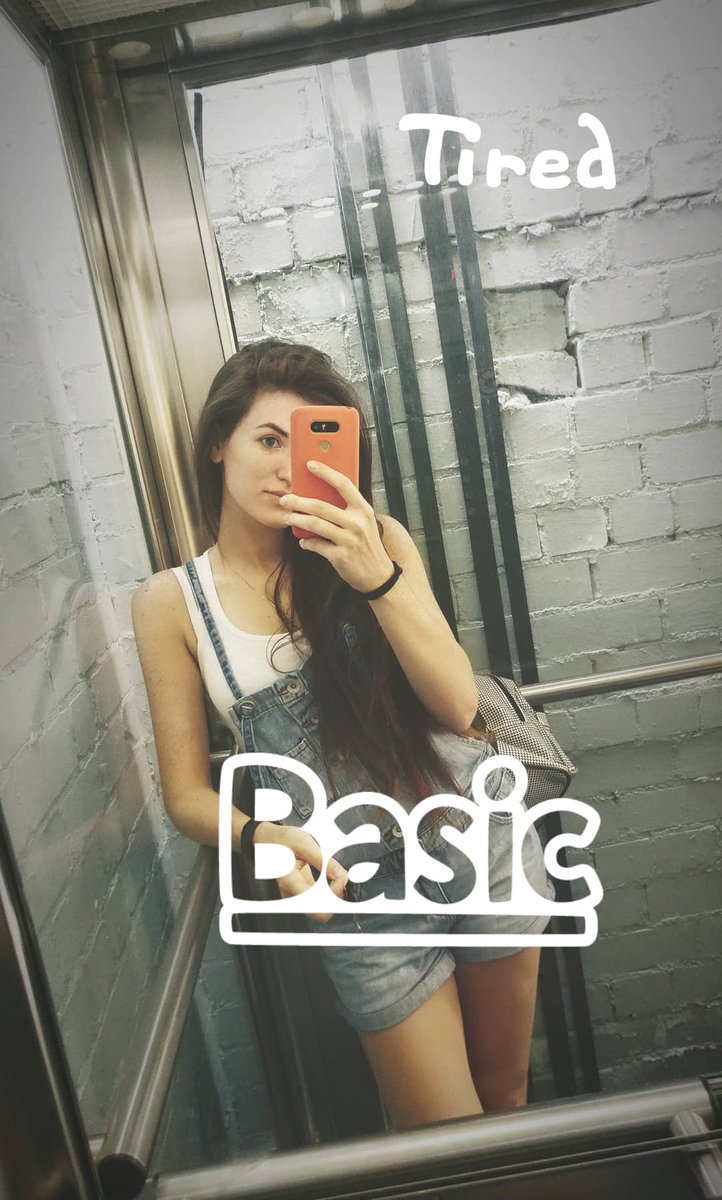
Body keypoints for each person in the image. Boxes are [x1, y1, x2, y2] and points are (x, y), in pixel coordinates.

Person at [132, 338, 554, 1131]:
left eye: (304, 445)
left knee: (507, 1103)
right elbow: (185, 794)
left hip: (480, 842)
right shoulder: (172, 604)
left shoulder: (376, 540)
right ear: (218, 443)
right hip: (356, 893)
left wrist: (376, 576)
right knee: (446, 1142)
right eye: (267, 440)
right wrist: (266, 839)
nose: (287, 468)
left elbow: (458, 707)